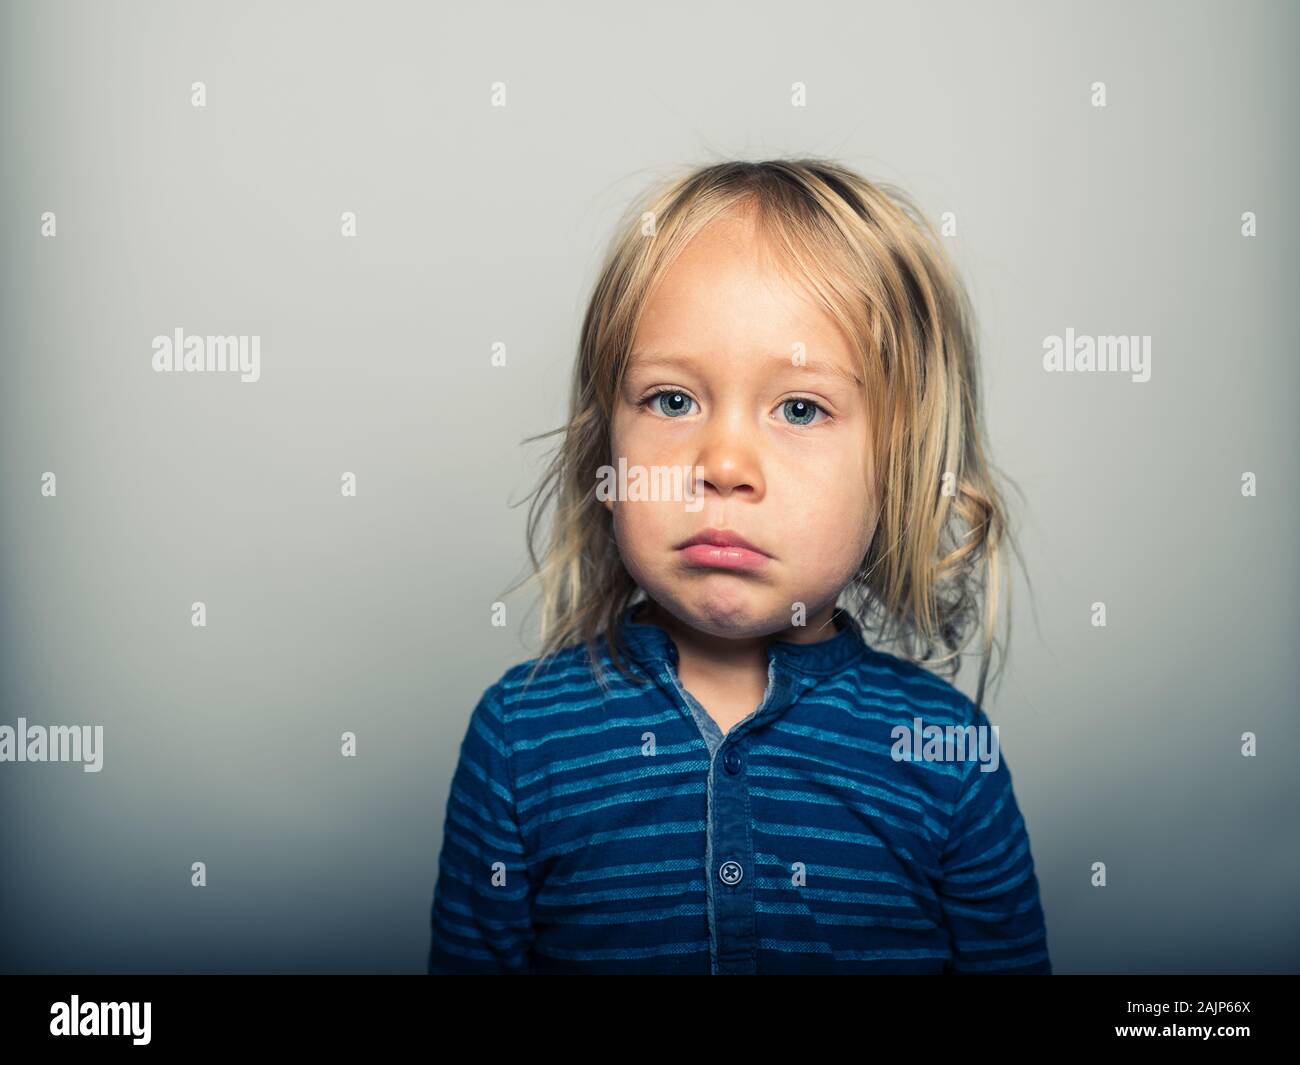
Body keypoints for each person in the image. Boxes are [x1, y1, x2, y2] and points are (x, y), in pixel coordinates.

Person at [427, 159, 1050, 974]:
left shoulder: (945, 752)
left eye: (800, 408)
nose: (722, 463)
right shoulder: (520, 737)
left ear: (899, 468)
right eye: (672, 400)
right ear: (605, 449)